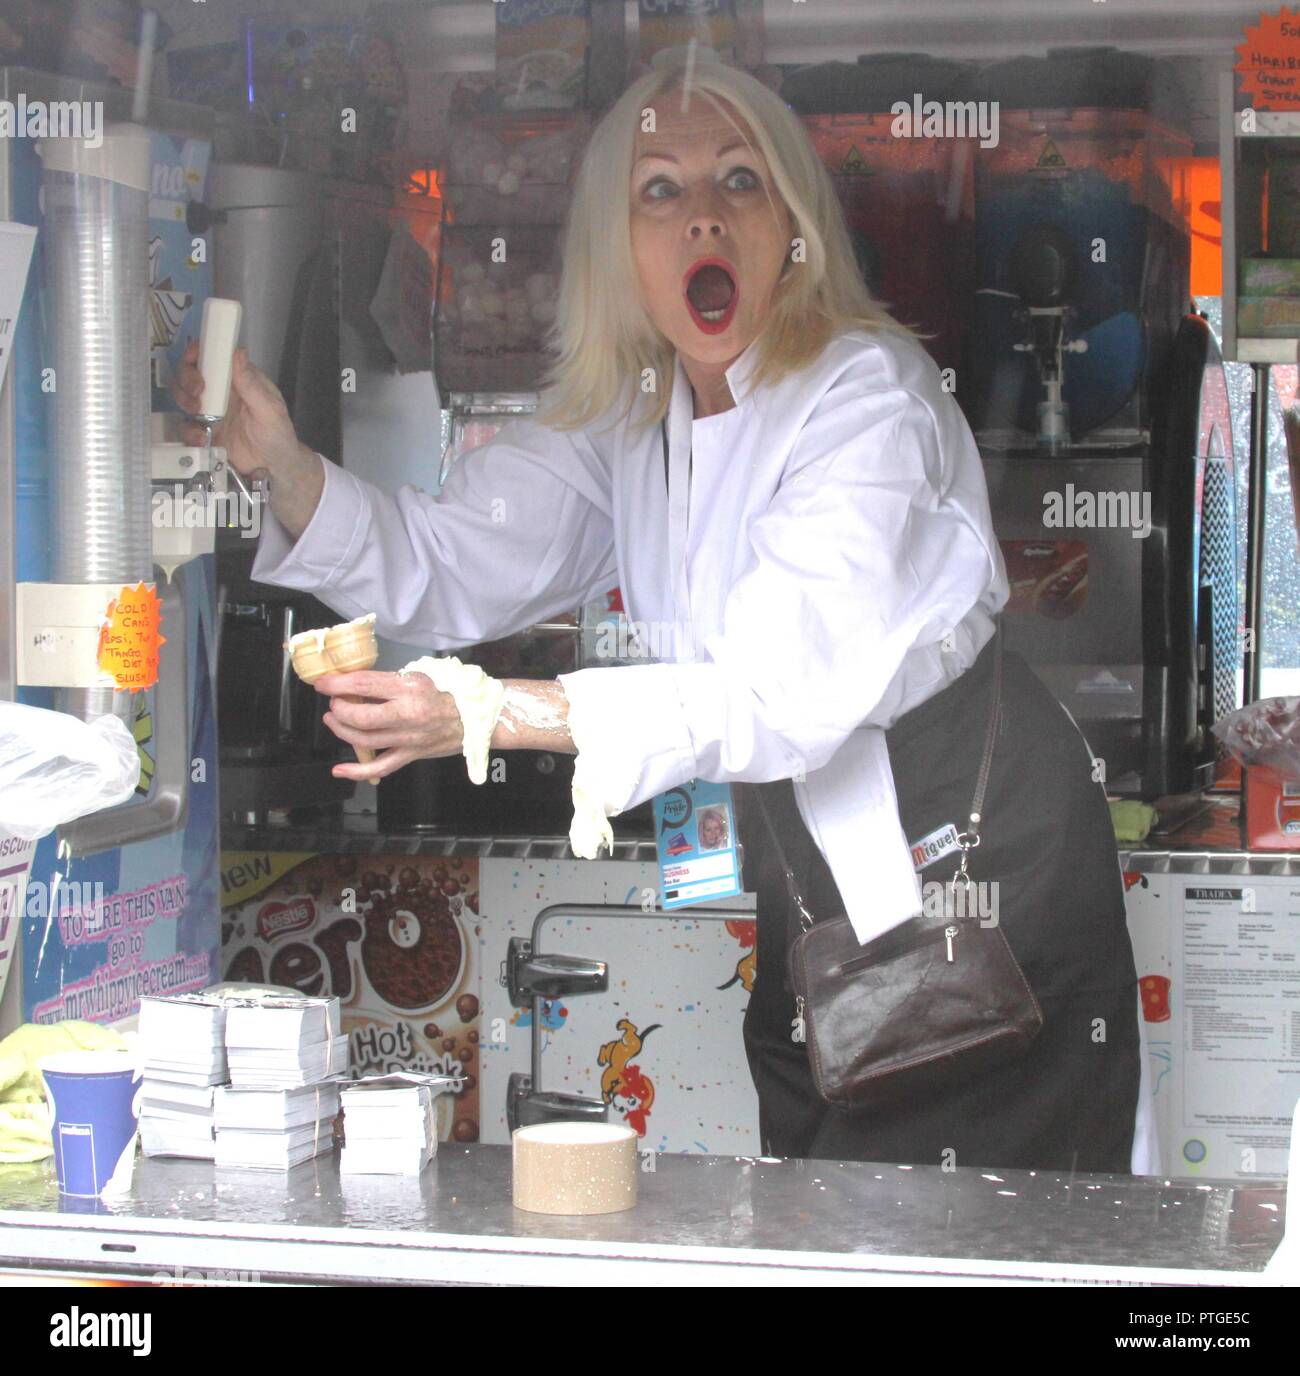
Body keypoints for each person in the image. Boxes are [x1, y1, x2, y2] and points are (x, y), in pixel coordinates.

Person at [178, 54, 1145, 1172]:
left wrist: (492, 708)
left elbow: (773, 689)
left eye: (738, 180)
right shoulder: (642, 417)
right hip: (823, 881)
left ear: (792, 222)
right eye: (658, 190)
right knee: (830, 1200)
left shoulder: (863, 396)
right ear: (620, 251)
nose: (701, 217)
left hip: (979, 868)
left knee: (976, 1223)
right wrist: (286, 468)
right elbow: (455, 556)